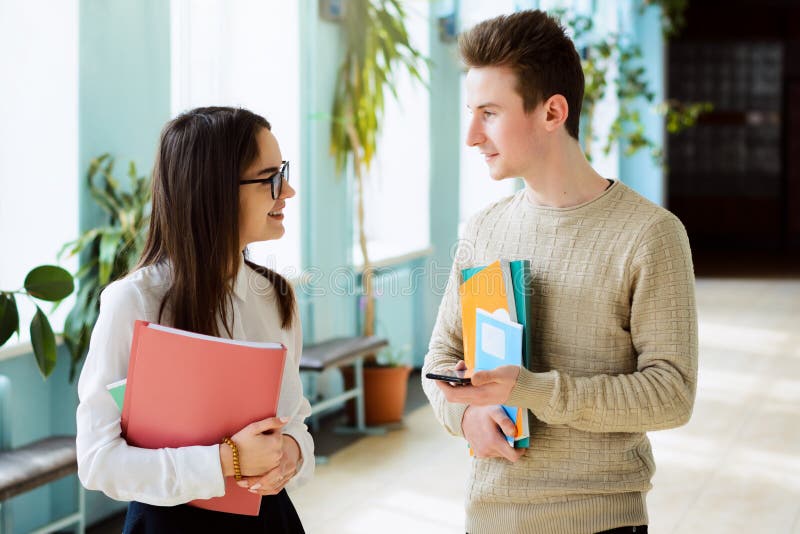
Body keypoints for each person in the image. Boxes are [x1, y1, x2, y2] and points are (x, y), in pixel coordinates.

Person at [422, 10, 698, 534]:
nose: (471, 136)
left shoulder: (650, 234)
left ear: (552, 112)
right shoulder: (483, 229)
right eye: (471, 112)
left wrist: (529, 388)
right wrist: (467, 416)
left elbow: (672, 394)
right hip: (490, 518)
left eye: (489, 113)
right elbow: (440, 359)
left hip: (600, 520)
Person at [76, 106, 313, 533]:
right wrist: (225, 461)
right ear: (215, 190)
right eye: (271, 177)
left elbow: (294, 417)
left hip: (270, 520)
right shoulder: (132, 303)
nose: (289, 191)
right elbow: (98, 461)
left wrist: (293, 451)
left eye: (285, 172)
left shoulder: (277, 297)